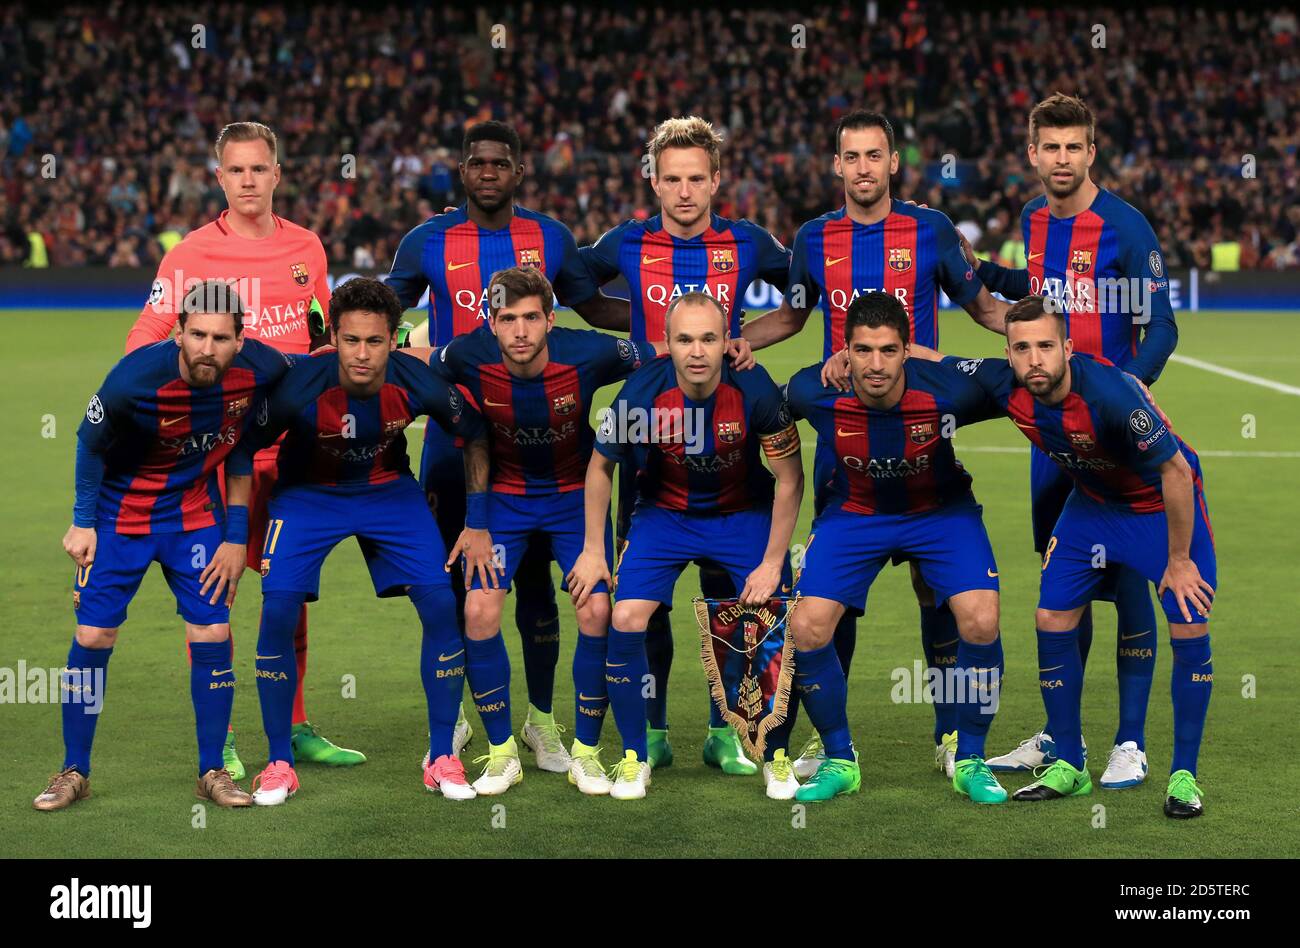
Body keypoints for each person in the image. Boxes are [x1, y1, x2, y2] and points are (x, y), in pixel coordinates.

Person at [741, 109, 1004, 780]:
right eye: (850, 156)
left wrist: (1056, 341)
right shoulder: (812, 237)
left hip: (920, 423)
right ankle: (833, 742)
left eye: (873, 155)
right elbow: (794, 317)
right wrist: (738, 337)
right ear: (837, 166)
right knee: (834, 597)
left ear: (894, 163)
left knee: (933, 589)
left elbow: (985, 311)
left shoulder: (931, 229)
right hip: (844, 432)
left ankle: (950, 735)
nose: (862, 167)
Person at [388, 121, 631, 773]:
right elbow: (386, 316)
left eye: (500, 162)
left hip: (547, 458)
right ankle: (463, 717)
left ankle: (541, 721)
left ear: (519, 170)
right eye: (476, 162)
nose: (488, 171)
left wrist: (689, 327)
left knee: (539, 595)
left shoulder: (551, 237)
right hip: (458, 443)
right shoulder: (426, 240)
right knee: (455, 592)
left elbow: (596, 310)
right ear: (461, 171)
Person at [919, 295, 1214, 818]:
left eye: (1046, 347)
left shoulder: (1110, 393)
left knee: (1188, 621)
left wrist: (1179, 560)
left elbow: (1176, 473)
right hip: (1094, 504)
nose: (1035, 359)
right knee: (1051, 615)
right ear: (1008, 354)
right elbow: (935, 360)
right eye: (1023, 348)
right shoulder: (1004, 383)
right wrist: (857, 357)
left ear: (1068, 349)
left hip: (1155, 507)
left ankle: (1184, 775)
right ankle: (1071, 761)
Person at [124, 121, 359, 776]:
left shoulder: (307, 249)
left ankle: (297, 724)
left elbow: (319, 335)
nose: (249, 180)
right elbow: (146, 334)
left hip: (293, 451)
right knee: (215, 593)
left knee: (287, 590)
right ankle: (220, 737)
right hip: (219, 454)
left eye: (260, 168)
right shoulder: (189, 255)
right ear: (219, 176)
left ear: (277, 174)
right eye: (237, 170)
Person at [965, 94, 1179, 788]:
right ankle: (1064, 737)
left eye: (1073, 146)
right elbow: (1033, 291)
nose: (1061, 159)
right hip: (1052, 441)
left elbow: (1164, 327)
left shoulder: (1125, 227)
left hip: (1114, 439)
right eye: (1048, 147)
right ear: (1032, 153)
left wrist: (1132, 391)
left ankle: (1131, 741)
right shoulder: (1031, 220)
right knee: (1067, 588)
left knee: (1125, 583)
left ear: (1092, 151)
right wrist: (971, 270)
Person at [35, 281, 295, 811]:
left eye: (221, 337)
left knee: (213, 629)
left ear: (241, 340)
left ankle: (212, 771)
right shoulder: (134, 379)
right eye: (196, 334)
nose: (207, 347)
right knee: (94, 634)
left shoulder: (264, 369)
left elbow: (259, 427)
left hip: (195, 516)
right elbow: (88, 443)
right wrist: (83, 522)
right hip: (119, 516)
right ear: (178, 331)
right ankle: (73, 771)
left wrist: (234, 537)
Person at [230, 278, 493, 804]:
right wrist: (239, 536)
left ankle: (442, 756)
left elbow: (476, 433)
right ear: (333, 336)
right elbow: (241, 447)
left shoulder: (416, 379)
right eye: (351, 340)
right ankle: (280, 762)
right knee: (278, 607)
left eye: (375, 341)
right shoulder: (300, 382)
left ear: (395, 338)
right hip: (307, 495)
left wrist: (478, 522)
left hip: (386, 491)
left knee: (442, 604)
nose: (363, 354)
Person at [579, 115, 777, 773]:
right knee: (648, 602)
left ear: (716, 179)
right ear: (654, 182)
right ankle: (654, 729)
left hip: (729, 437)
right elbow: (578, 291)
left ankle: (728, 730)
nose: (685, 192)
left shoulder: (746, 242)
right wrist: (638, 337)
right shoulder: (626, 243)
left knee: (731, 596)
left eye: (696, 179)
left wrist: (754, 339)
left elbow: (807, 297)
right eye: (672, 180)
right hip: (649, 442)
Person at [426, 266, 655, 795]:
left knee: (597, 608)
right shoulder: (466, 354)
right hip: (503, 502)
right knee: (478, 609)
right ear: (491, 321)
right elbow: (417, 367)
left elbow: (657, 354)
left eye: (532, 318)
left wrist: (731, 349)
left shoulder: (589, 353)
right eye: (508, 319)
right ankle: (503, 752)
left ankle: (588, 752)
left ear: (551, 319)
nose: (521, 332)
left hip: (575, 500)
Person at [568, 292, 804, 800]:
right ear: (668, 345)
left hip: (741, 513)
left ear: (727, 343)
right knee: (626, 617)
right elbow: (599, 467)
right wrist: (593, 550)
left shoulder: (755, 389)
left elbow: (790, 478)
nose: (696, 351)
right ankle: (635, 757)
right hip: (665, 515)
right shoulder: (640, 393)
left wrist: (771, 562)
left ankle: (775, 753)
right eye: (684, 339)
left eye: (708, 339)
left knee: (774, 618)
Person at [783, 292, 1007, 803]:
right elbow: (759, 405)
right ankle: (840, 757)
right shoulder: (813, 391)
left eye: (888, 350)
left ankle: (969, 756)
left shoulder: (947, 392)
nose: (876, 364)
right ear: (844, 351)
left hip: (940, 513)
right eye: (863, 350)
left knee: (980, 617)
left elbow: (1012, 381)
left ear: (908, 349)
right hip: (855, 513)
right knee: (808, 623)